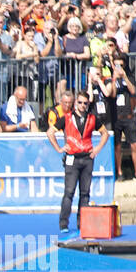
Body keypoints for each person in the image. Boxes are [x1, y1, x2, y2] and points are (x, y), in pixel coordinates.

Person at [47, 90, 109, 232]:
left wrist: (97, 149)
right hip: (72, 158)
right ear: (76, 103)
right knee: (69, 192)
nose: (82, 105)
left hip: (87, 158)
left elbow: (104, 133)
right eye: (80, 103)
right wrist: (59, 148)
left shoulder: (92, 118)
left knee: (85, 193)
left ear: (88, 104)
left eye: (85, 103)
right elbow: (50, 132)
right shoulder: (67, 118)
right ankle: (64, 223)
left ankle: (83, 223)